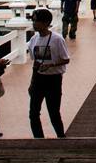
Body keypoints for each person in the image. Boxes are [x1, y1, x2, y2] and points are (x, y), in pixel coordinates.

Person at [25, 8, 69, 138]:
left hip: (53, 79)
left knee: (54, 112)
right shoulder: (33, 39)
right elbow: (35, 64)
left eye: (36, 21)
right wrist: (32, 83)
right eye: (33, 21)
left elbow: (66, 59)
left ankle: (61, 137)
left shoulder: (57, 39)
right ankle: (39, 139)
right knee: (33, 113)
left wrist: (51, 65)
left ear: (45, 23)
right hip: (38, 78)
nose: (34, 24)